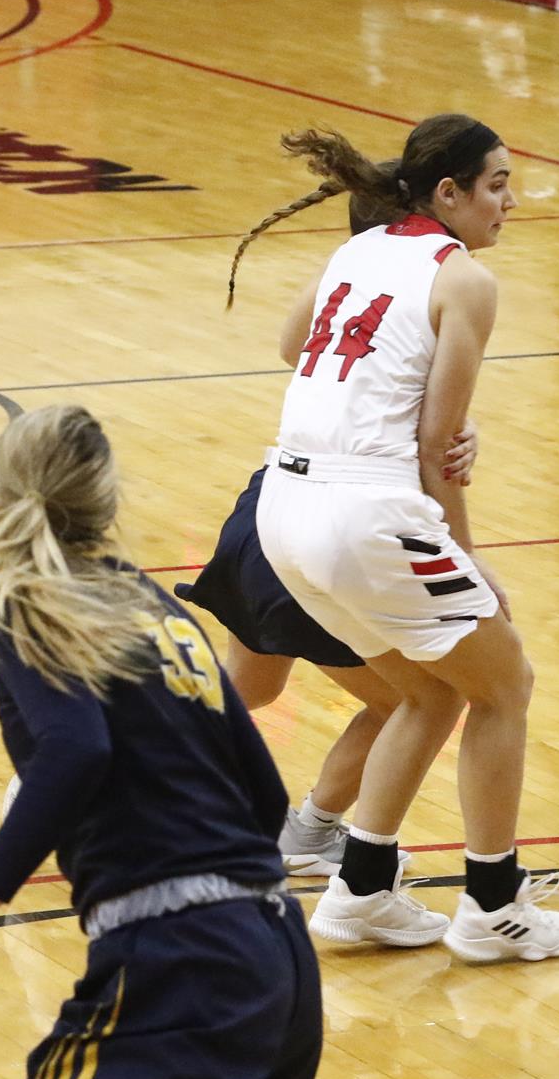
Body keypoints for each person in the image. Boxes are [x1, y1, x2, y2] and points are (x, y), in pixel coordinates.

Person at [0, 404, 324, 1079]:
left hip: (182, 959)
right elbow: (264, 793)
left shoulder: (18, 593)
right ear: (104, 499)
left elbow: (76, 747)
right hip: (278, 954)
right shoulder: (151, 601)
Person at [227, 113, 559, 964]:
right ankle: (494, 903)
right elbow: (437, 447)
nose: (511, 201)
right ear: (449, 193)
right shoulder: (464, 280)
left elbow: (294, 345)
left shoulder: (359, 249)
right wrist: (467, 557)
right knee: (505, 684)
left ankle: (359, 891)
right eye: (496, 184)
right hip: (366, 511)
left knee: (431, 692)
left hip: (283, 506)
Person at [178, 182, 481, 879]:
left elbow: (293, 345)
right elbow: (432, 438)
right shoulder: (433, 281)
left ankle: (98, 770)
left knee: (245, 688)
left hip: (267, 508)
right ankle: (313, 829)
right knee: (414, 697)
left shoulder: (351, 262)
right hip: (332, 523)